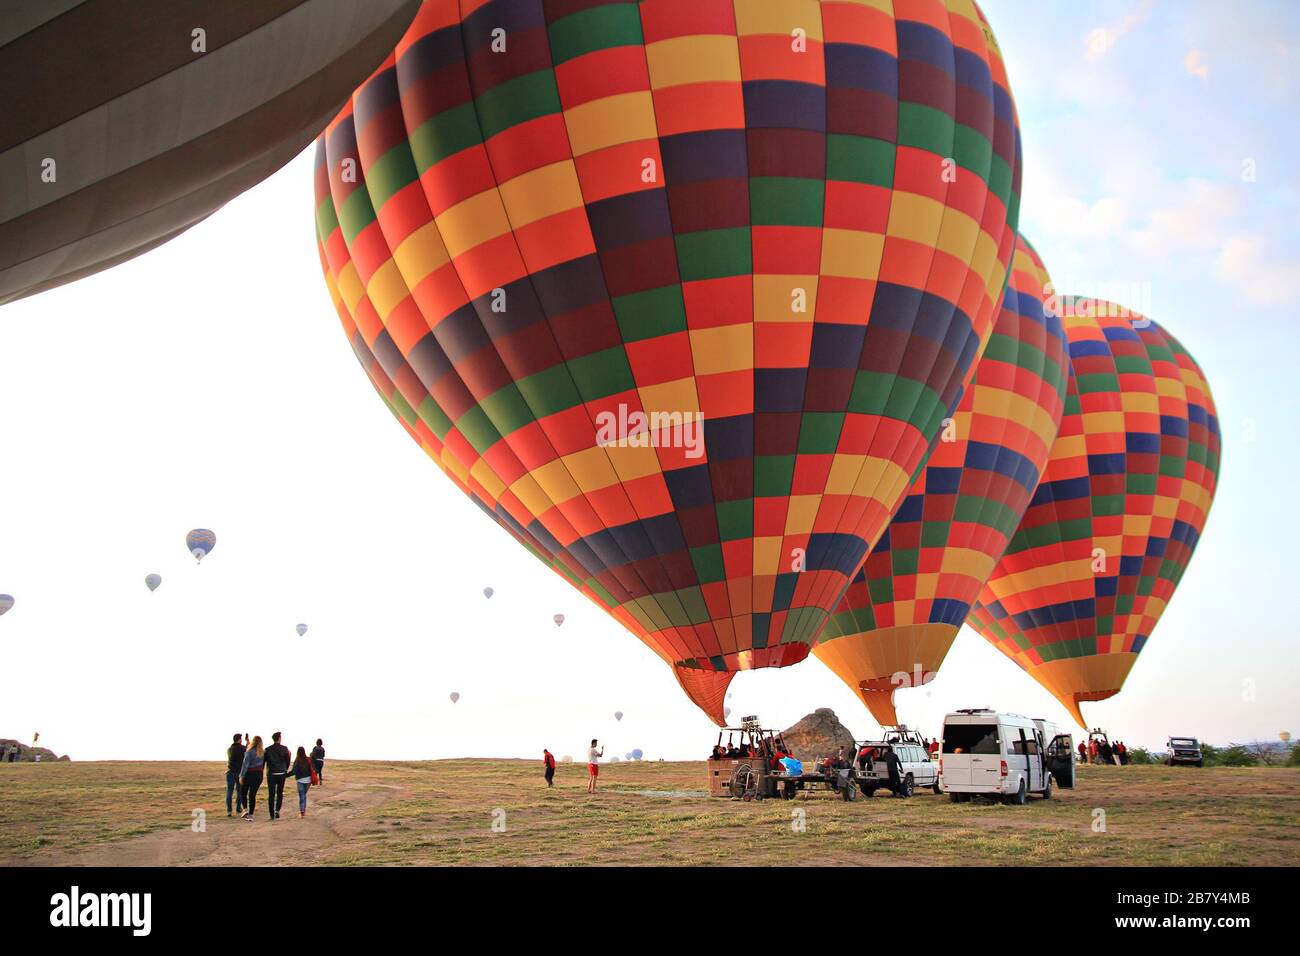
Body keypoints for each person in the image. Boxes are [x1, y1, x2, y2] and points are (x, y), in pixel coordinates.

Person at [263, 731, 292, 820]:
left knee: (271, 794)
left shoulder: (267, 749)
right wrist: (285, 769)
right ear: (279, 738)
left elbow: (264, 762)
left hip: (271, 774)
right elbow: (288, 761)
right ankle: (277, 810)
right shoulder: (285, 748)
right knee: (279, 793)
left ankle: (271, 814)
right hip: (281, 774)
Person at [239, 736, 265, 819]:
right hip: (259, 775)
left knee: (243, 792)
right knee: (252, 794)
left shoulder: (249, 752)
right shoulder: (263, 752)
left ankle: (245, 809)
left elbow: (245, 765)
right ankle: (251, 814)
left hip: (249, 774)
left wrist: (241, 776)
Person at [291, 746, 319, 817]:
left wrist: (285, 775)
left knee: (302, 795)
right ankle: (303, 810)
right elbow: (312, 768)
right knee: (304, 795)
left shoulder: (297, 760)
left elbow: (293, 771)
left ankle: (302, 811)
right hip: (308, 780)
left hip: (300, 780)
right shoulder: (308, 759)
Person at [225, 733, 246, 817]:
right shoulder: (243, 748)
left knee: (229, 791)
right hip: (239, 772)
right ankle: (238, 808)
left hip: (230, 772)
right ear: (240, 739)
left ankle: (229, 811)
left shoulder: (229, 749)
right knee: (239, 791)